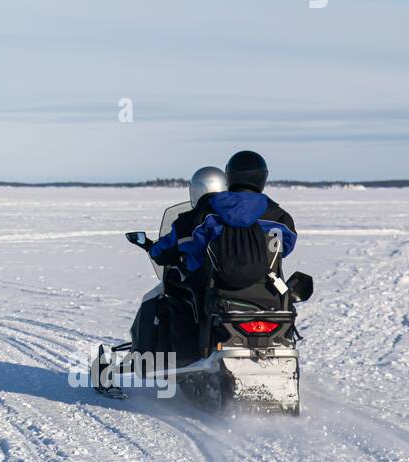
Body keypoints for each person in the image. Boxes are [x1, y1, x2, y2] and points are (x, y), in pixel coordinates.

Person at [151, 151, 298, 356]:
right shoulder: (280, 217)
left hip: (218, 294)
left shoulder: (207, 213)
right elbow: (287, 247)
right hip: (269, 296)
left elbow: (179, 243)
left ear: (229, 177)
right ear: (262, 177)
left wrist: (159, 251)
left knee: (177, 299)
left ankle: (181, 367)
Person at [128, 167, 226, 359]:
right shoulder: (238, 221)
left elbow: (162, 250)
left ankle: (176, 361)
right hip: (243, 287)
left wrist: (151, 248)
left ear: (198, 190)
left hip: (202, 288)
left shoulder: (188, 222)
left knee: (171, 302)